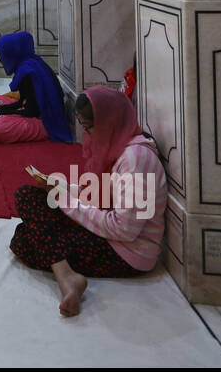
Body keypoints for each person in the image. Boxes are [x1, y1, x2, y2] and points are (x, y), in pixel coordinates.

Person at [9, 86, 167, 317]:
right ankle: (64, 271)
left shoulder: (136, 161)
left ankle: (66, 278)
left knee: (24, 240)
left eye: (90, 127)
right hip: (108, 234)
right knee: (28, 196)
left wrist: (65, 200)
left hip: (126, 253)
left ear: (109, 122)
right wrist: (63, 189)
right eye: (84, 127)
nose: (88, 135)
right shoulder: (120, 147)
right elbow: (101, 194)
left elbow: (125, 230)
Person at [0, 31, 72, 143]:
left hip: (45, 122)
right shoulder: (29, 64)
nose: (1, 58)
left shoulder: (29, 72)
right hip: (28, 109)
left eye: (2, 53)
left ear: (13, 52)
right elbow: (22, 102)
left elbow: (31, 113)